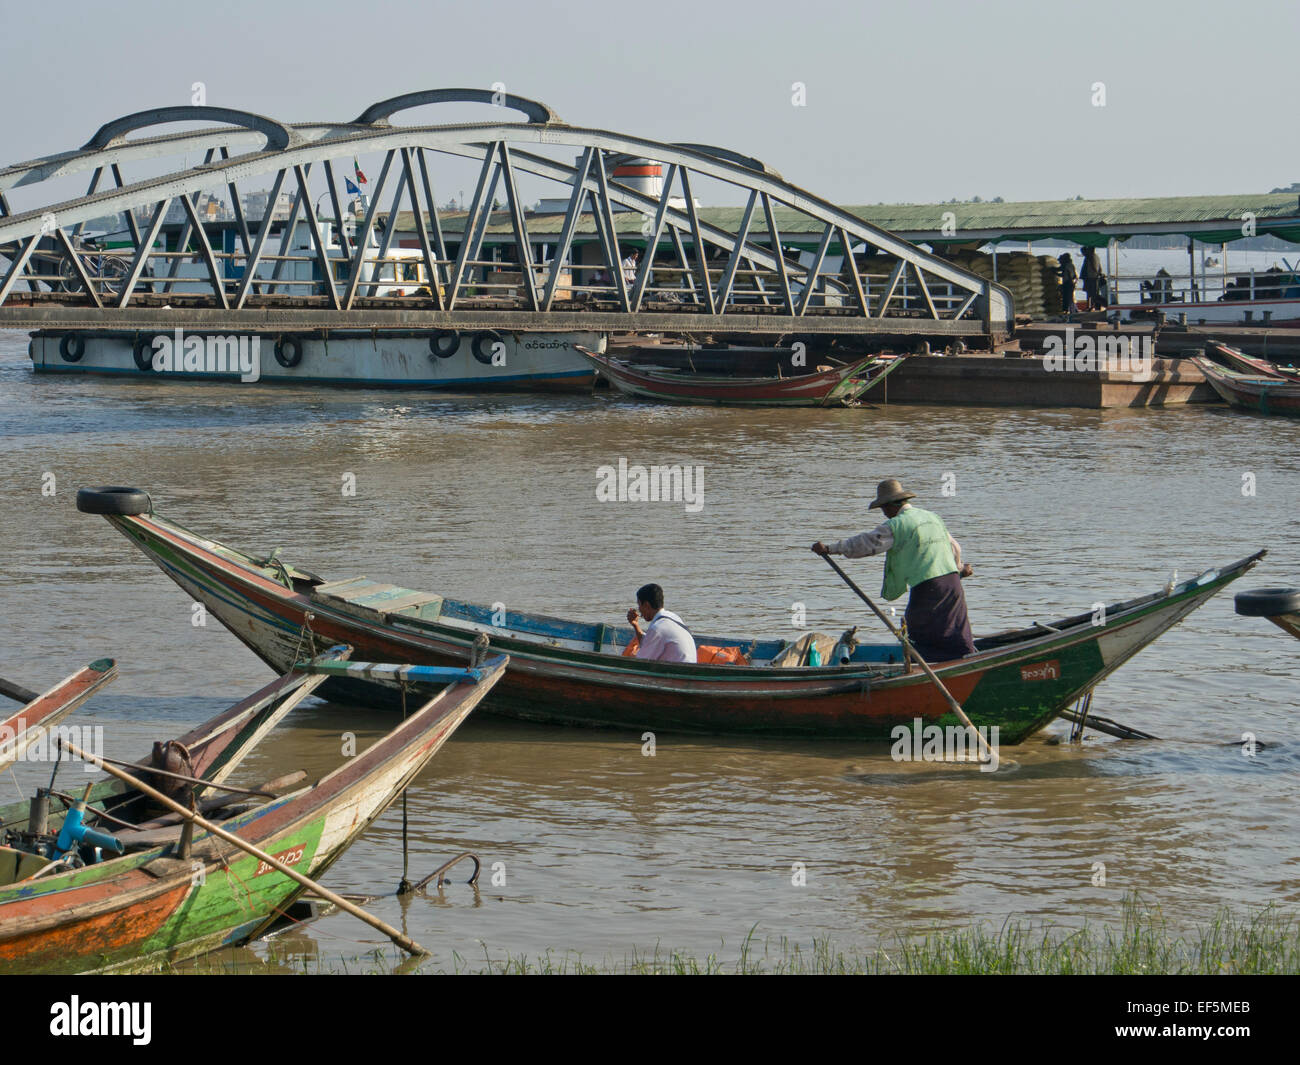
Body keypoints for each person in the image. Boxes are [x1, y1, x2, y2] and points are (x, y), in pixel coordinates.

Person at [812, 479, 976, 663]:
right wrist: (960, 569)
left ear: (890, 506)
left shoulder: (898, 524)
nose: (884, 513)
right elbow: (955, 547)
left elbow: (868, 544)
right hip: (952, 584)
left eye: (883, 508)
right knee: (955, 626)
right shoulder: (931, 517)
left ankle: (925, 667)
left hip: (929, 586)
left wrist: (831, 548)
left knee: (918, 625)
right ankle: (963, 659)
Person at [626, 583, 696, 663]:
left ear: (646, 605)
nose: (639, 610)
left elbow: (641, 662)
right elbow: (648, 643)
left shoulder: (657, 629)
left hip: (677, 672)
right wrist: (635, 625)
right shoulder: (673, 617)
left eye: (639, 605)